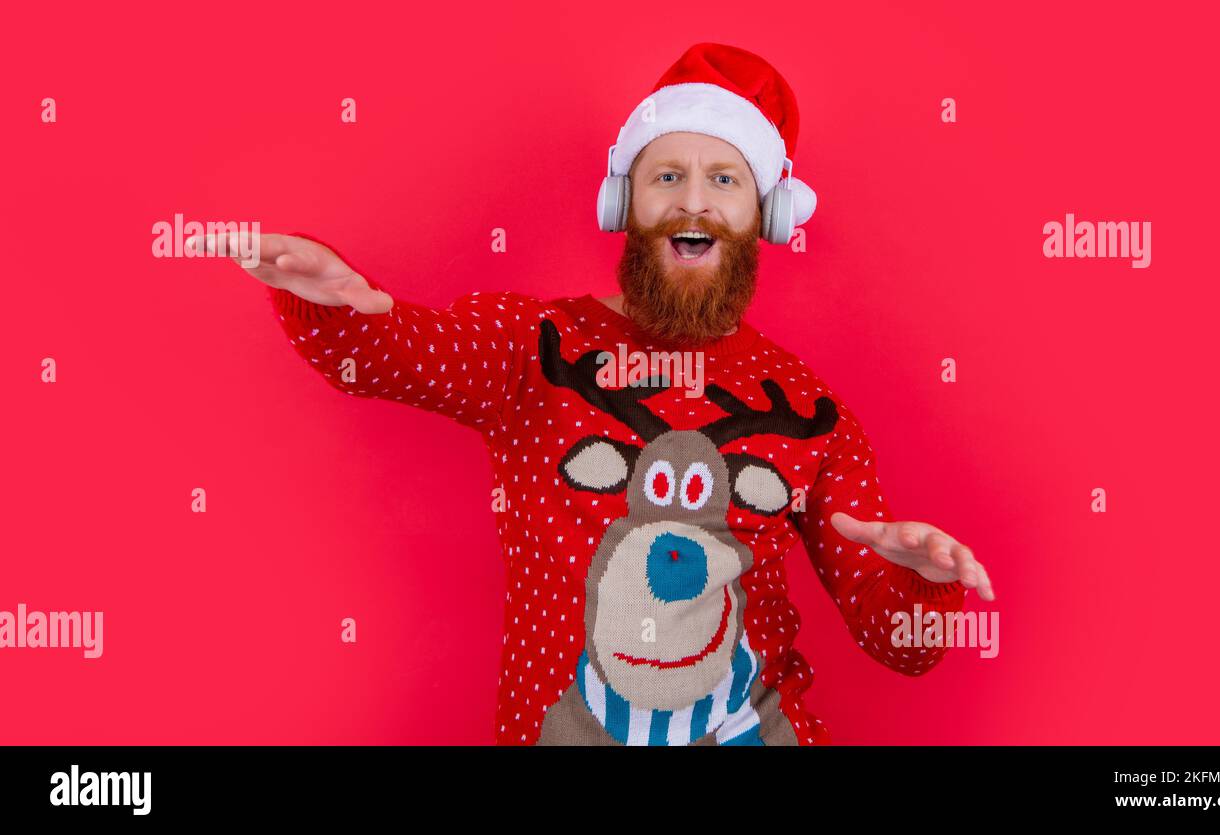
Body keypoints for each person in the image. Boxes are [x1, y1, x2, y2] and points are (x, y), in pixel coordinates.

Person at [193, 42, 994, 746]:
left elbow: (905, 646)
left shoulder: (814, 413)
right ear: (626, 203)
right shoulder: (532, 348)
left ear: (764, 216)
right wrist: (335, 303)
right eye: (667, 176)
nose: (693, 201)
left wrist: (922, 578)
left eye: (725, 179)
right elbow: (397, 352)